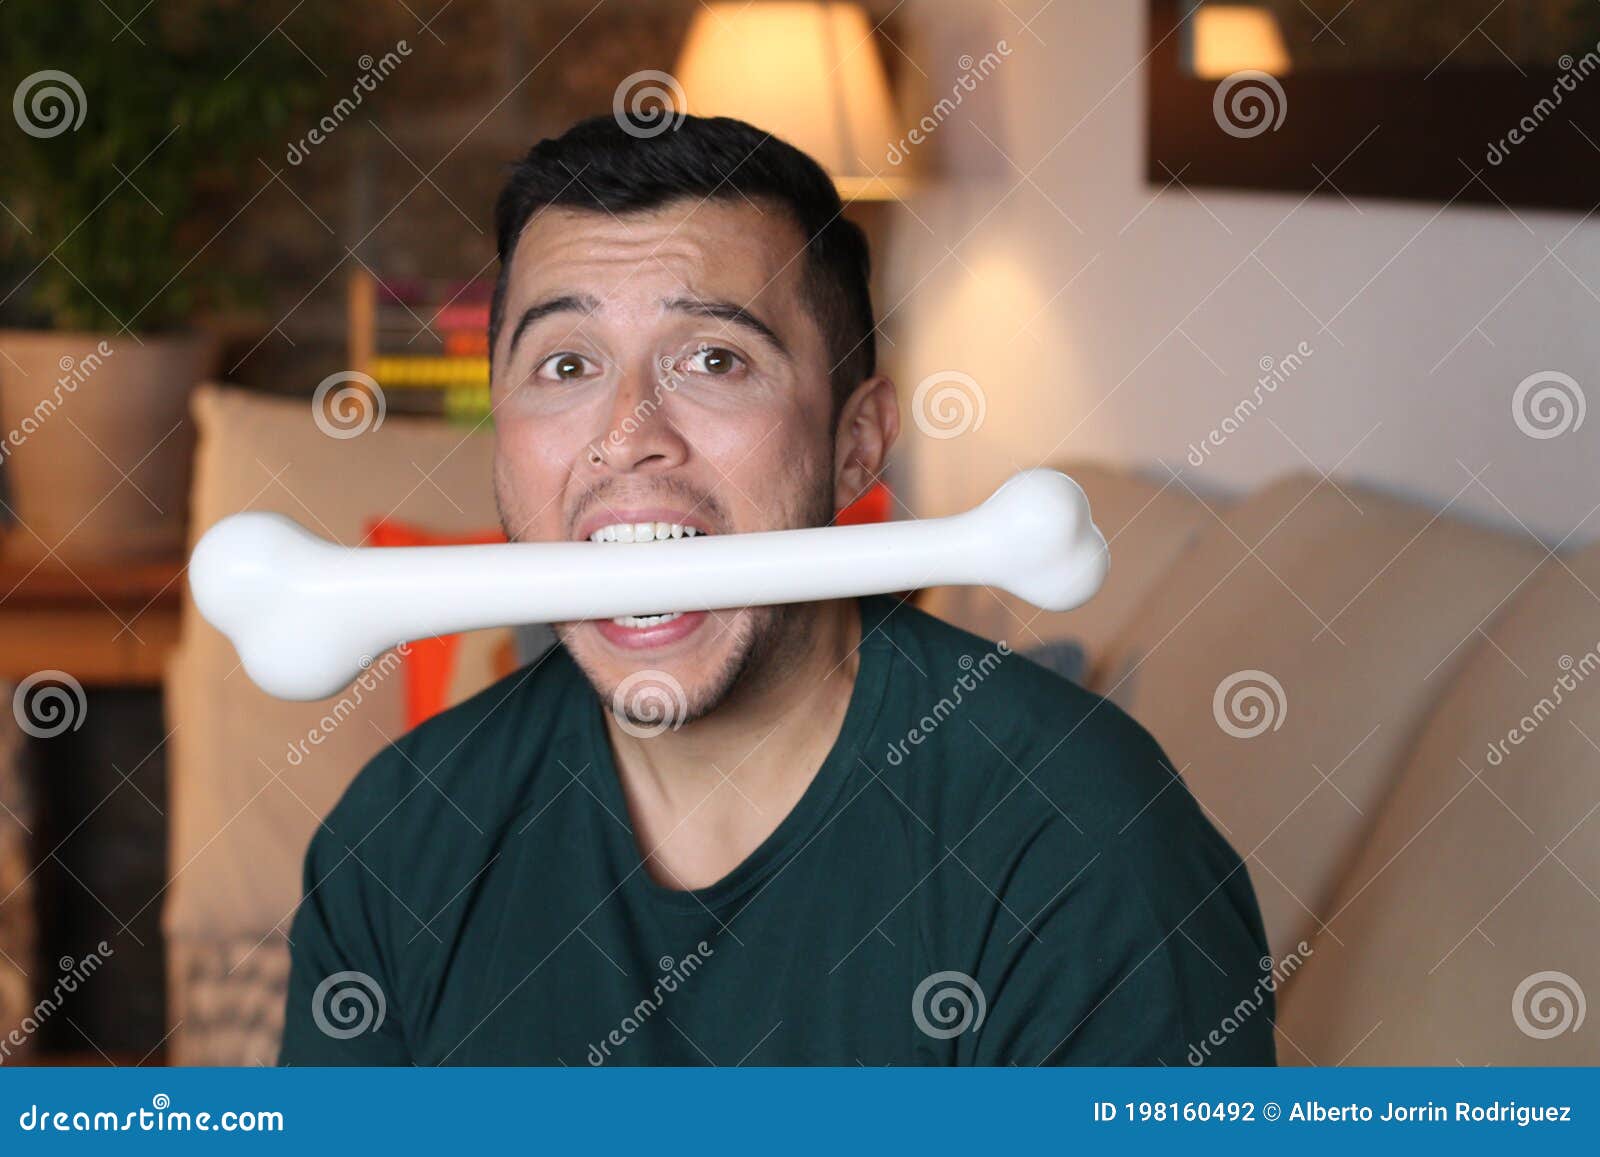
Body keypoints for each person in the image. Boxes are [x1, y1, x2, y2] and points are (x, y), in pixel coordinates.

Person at [279, 113, 1274, 1066]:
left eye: (714, 359)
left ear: (855, 446)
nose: (627, 436)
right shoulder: (400, 840)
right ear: (499, 438)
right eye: (567, 362)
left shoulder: (1079, 841)